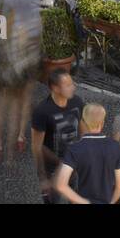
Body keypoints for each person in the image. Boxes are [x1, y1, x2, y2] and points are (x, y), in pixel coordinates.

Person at [31, 68, 85, 203]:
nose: (73, 87)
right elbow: (37, 147)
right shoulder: (42, 111)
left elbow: (83, 132)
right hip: (52, 170)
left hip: (74, 164)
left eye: (72, 83)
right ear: (55, 88)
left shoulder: (77, 102)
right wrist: (42, 178)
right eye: (68, 85)